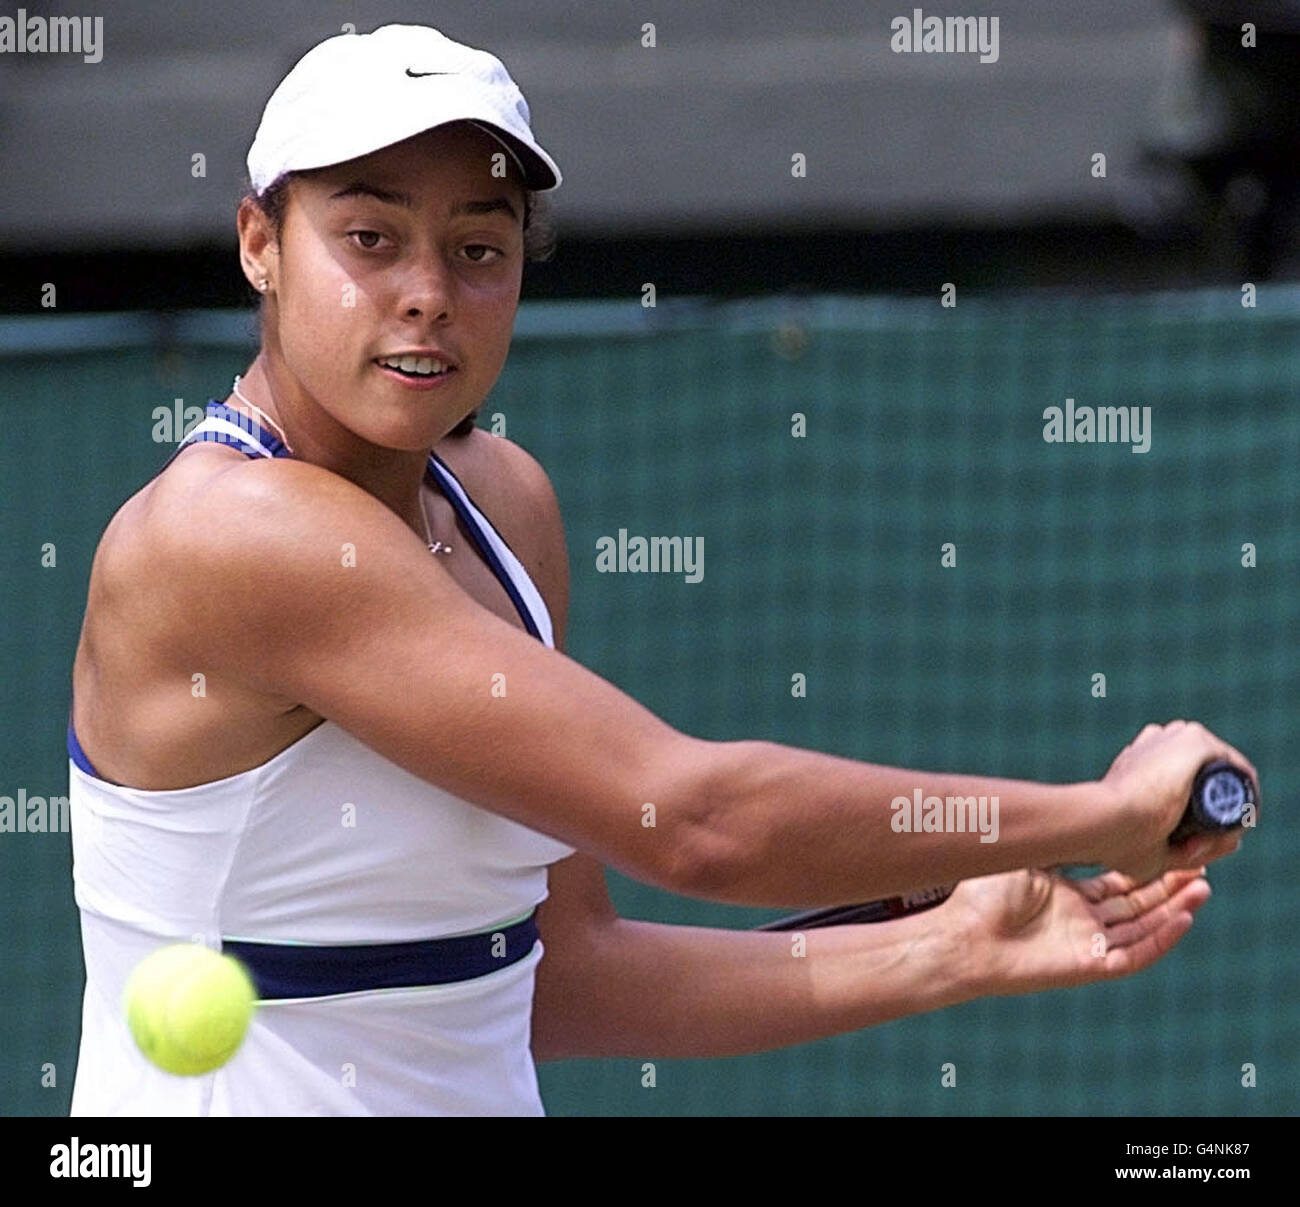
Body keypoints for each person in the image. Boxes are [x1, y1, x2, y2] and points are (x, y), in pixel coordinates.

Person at [66, 23, 1254, 1117]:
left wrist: (945, 948)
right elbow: (696, 821)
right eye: (368, 239)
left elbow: (566, 977)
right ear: (260, 243)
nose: (428, 293)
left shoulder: (504, 503)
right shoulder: (236, 538)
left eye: (477, 247)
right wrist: (1105, 816)